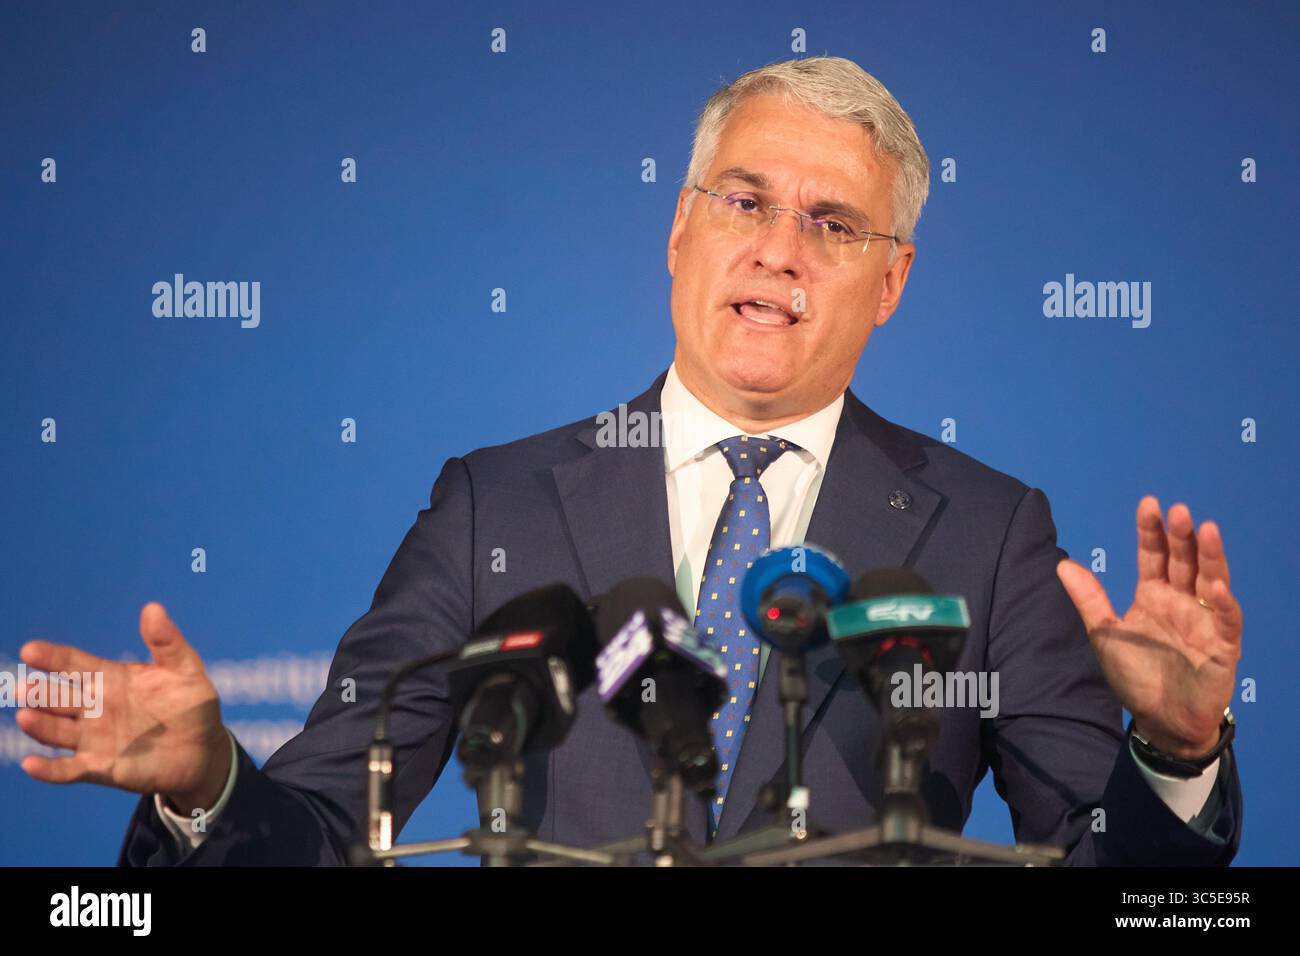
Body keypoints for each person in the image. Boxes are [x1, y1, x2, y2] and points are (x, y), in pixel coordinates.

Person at [15, 56, 1242, 865]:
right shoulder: (497, 502)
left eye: (831, 224)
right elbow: (328, 830)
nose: (777, 252)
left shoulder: (988, 529)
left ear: (891, 280)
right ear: (679, 228)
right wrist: (208, 782)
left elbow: (1105, 872)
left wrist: (1174, 757)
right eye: (743, 202)